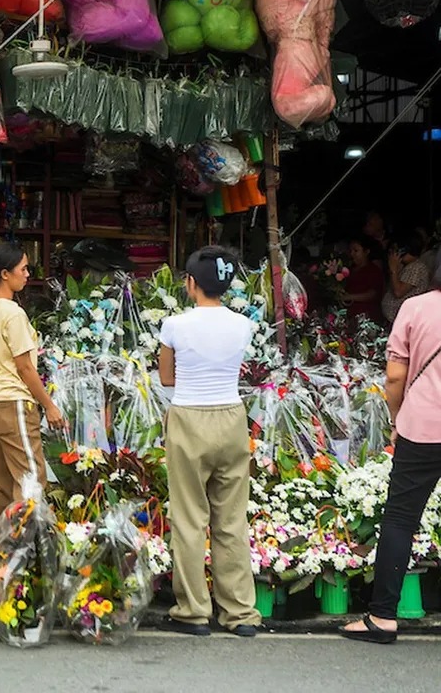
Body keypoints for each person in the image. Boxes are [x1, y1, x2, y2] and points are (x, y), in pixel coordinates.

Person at [157, 247, 262, 638]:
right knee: (231, 519)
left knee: (189, 518)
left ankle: (194, 611)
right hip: (232, 418)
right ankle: (239, 612)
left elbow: (167, 378)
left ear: (190, 283)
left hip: (189, 416)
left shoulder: (174, 325)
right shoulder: (243, 325)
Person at [342, 257, 441, 644]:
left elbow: (396, 375)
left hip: (422, 427)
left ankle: (383, 617)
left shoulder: (415, 307)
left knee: (401, 520)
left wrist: (398, 416)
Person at [0, 243, 65, 518]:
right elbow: (25, 368)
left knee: (3, 484)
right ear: (5, 274)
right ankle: (28, 541)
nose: (28, 274)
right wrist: (49, 405)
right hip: (12, 402)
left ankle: (0, 541)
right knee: (31, 480)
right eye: (23, 269)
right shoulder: (13, 313)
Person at [382, 233, 430, 324]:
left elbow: (398, 292)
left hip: (403, 321)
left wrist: (393, 269)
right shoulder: (406, 266)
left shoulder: (416, 267)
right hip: (393, 321)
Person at [343, 237, 386, 323]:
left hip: (366, 317)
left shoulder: (373, 270)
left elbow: (373, 294)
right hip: (348, 315)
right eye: (350, 251)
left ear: (366, 252)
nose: (352, 254)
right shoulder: (348, 269)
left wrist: (349, 297)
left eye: (356, 251)